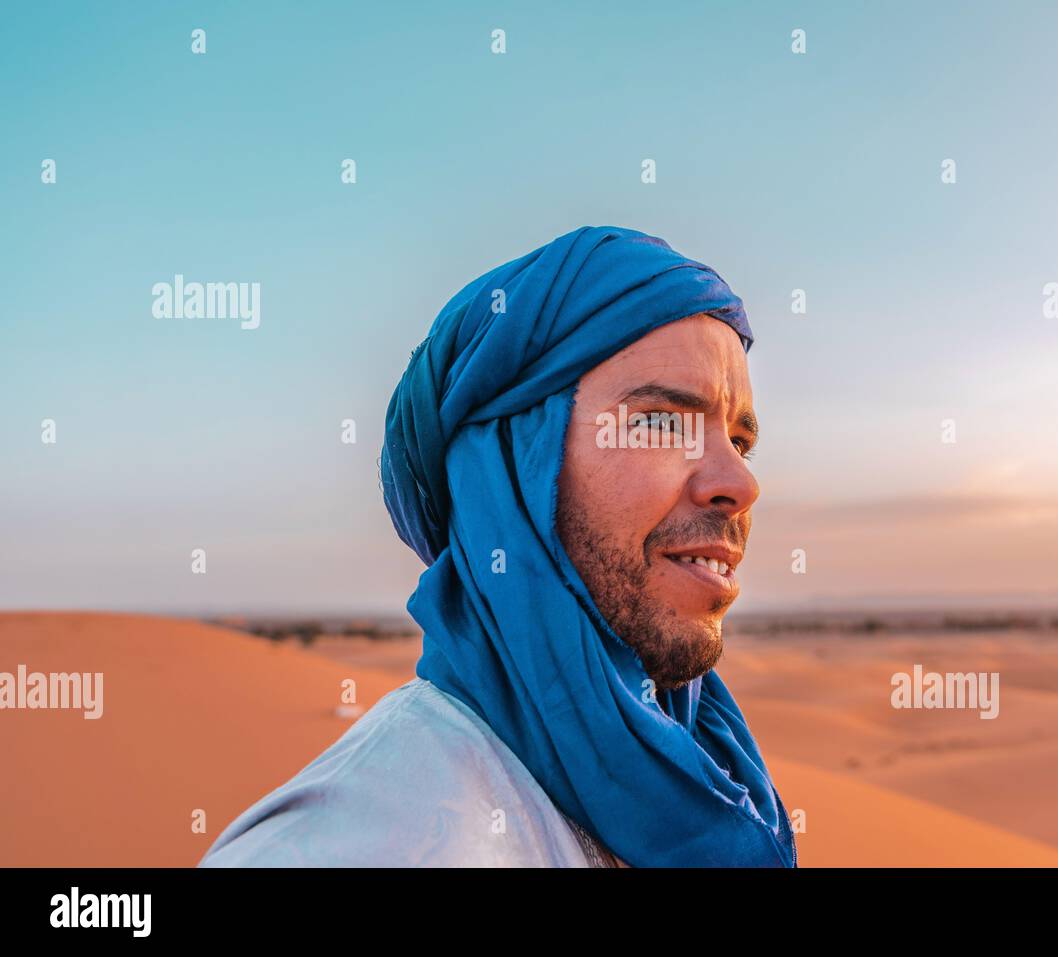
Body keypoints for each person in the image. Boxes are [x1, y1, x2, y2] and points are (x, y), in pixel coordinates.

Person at [198, 225, 797, 868]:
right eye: (658, 422)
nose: (739, 483)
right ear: (512, 468)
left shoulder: (711, 781)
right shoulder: (364, 841)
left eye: (739, 442)